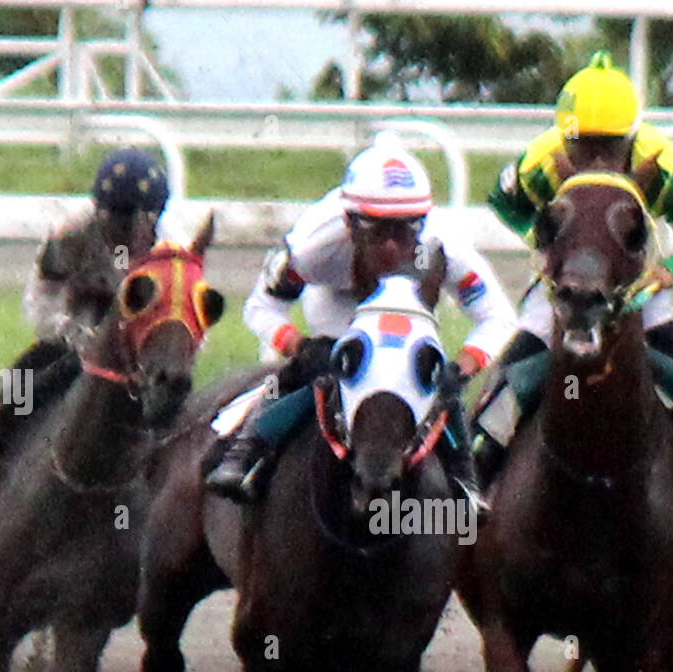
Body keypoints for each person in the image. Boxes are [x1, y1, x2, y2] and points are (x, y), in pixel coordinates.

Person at [205, 133, 516, 504]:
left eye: (405, 229)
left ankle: (465, 482)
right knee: (324, 372)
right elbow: (261, 308)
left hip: (407, 313)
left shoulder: (441, 245)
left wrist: (461, 368)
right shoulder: (311, 246)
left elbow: (497, 317)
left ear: (423, 221)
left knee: (430, 379)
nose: (391, 246)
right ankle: (247, 450)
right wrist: (301, 346)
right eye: (377, 230)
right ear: (349, 223)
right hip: (338, 307)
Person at [471, 51, 673, 485]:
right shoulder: (536, 164)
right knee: (505, 381)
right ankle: (476, 482)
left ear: (632, 138)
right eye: (582, 149)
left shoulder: (667, 168)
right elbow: (502, 202)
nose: (597, 161)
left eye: (610, 148)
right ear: (562, 140)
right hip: (563, 288)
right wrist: (544, 237)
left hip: (635, 286)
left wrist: (668, 272)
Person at [0, 148, 181, 479]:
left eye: (140, 218)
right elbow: (42, 298)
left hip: (147, 336)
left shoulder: (174, 250)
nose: (129, 229)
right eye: (118, 216)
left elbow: (183, 317)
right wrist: (70, 332)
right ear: (99, 211)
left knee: (173, 387)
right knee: (36, 366)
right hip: (81, 324)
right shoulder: (70, 235)